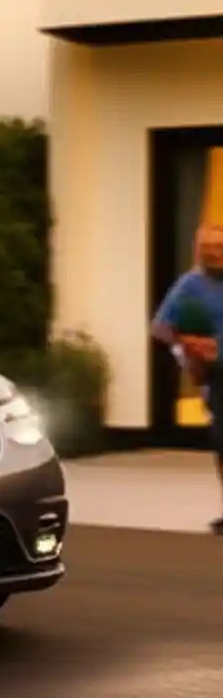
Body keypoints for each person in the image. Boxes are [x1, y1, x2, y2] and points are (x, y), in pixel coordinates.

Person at [151, 222, 223, 535]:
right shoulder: (190, 284)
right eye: (208, 248)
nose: (214, 253)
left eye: (219, 247)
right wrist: (188, 344)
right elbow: (161, 326)